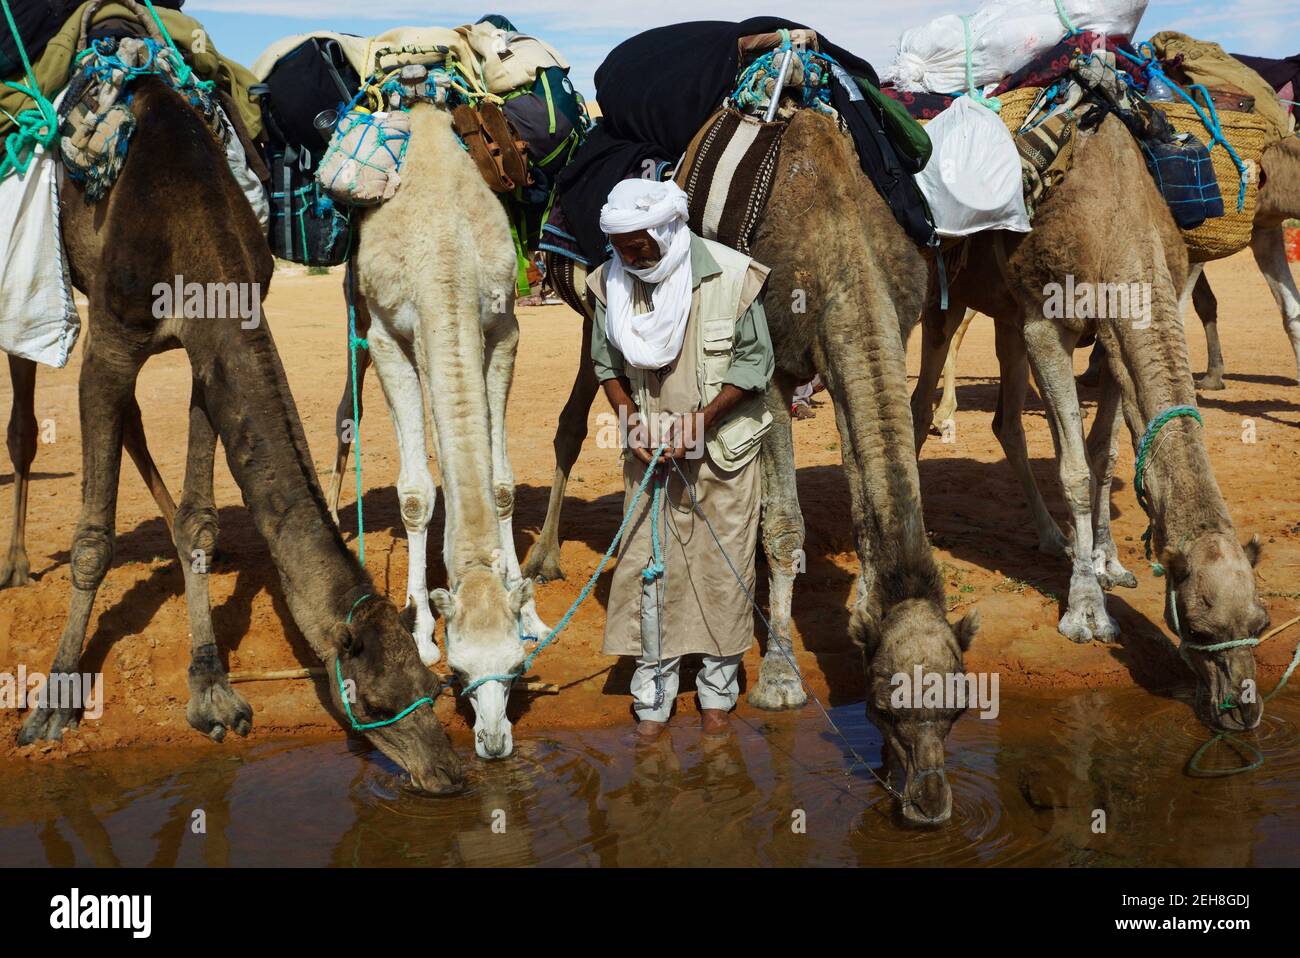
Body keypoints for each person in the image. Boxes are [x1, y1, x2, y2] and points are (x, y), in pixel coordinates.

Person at [587, 178, 774, 739]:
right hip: (651, 454)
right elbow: (607, 369)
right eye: (620, 247)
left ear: (666, 231)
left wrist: (700, 419)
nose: (628, 257)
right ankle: (654, 695)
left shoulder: (732, 276)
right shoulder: (610, 283)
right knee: (651, 569)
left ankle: (718, 691)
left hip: (722, 452)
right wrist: (629, 419)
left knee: (725, 573)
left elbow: (754, 365)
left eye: (638, 246)